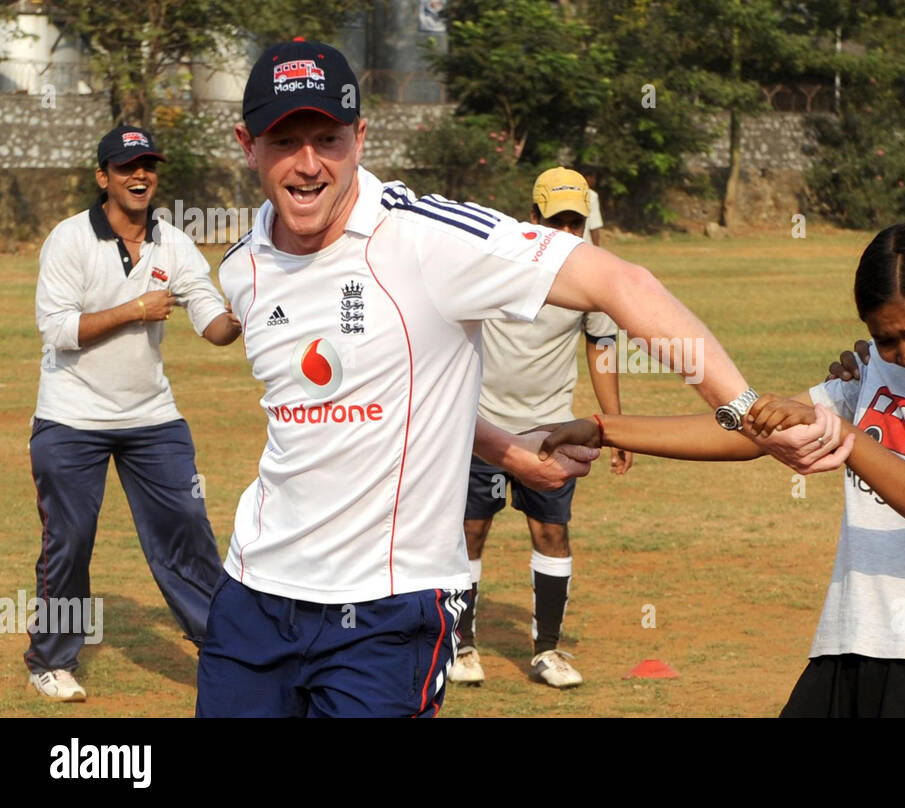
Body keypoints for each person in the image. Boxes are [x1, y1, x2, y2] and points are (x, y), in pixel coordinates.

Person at [199, 39, 822, 717]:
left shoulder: (426, 238)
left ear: (361, 137)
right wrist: (505, 449)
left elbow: (621, 283)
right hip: (254, 596)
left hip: (386, 611)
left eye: (330, 138)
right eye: (285, 140)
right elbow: (365, 400)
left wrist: (744, 409)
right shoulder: (242, 266)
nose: (310, 164)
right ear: (247, 144)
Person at [542, 221, 905, 716]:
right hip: (852, 645)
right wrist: (607, 427)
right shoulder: (873, 373)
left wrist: (844, 434)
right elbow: (754, 432)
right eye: (886, 339)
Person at [28, 125, 243, 702]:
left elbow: (207, 313)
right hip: (71, 418)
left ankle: (223, 648)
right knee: (69, 541)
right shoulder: (70, 240)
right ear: (104, 178)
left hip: (152, 418)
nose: (140, 175)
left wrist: (239, 321)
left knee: (187, 535)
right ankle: (51, 659)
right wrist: (134, 310)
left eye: (147, 165)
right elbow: (57, 330)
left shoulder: (173, 243)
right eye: (126, 167)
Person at [451, 168, 630, 689]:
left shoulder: (591, 278)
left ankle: (548, 651)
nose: (566, 233)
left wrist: (612, 428)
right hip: (481, 428)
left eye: (575, 223)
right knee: (468, 533)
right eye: (557, 221)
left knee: (552, 533)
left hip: (553, 431)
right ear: (533, 218)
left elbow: (602, 347)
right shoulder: (496, 262)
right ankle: (461, 646)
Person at [580, 167, 603, 247]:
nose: (595, 181)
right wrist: (597, 249)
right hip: (585, 245)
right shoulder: (591, 195)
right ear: (587, 177)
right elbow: (594, 225)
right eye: (594, 178)